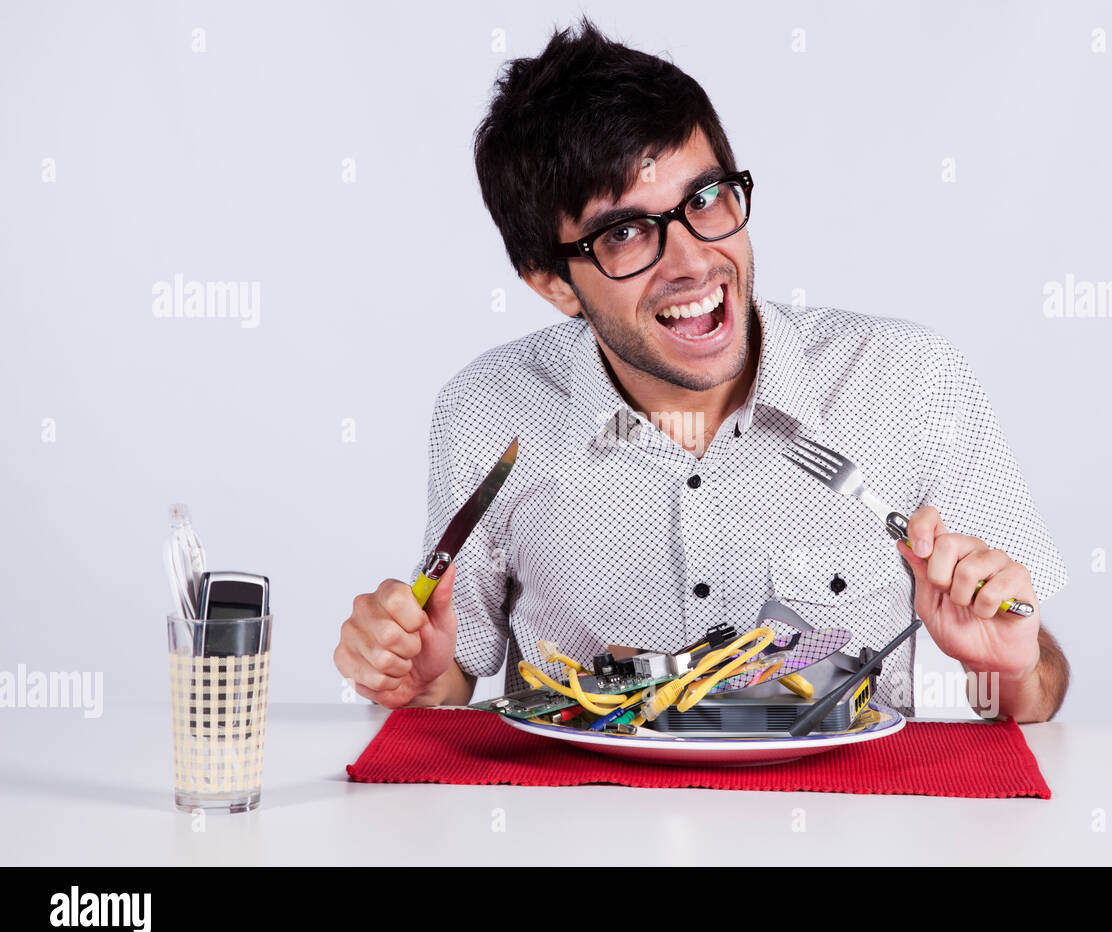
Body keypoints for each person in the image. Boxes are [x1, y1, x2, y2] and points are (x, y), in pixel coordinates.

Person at [334, 16, 1070, 722]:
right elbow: (444, 686)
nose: (693, 263)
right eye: (624, 233)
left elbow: (1037, 686)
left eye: (706, 199)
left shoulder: (909, 379)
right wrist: (421, 679)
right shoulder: (488, 413)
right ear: (553, 284)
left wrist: (1007, 671)